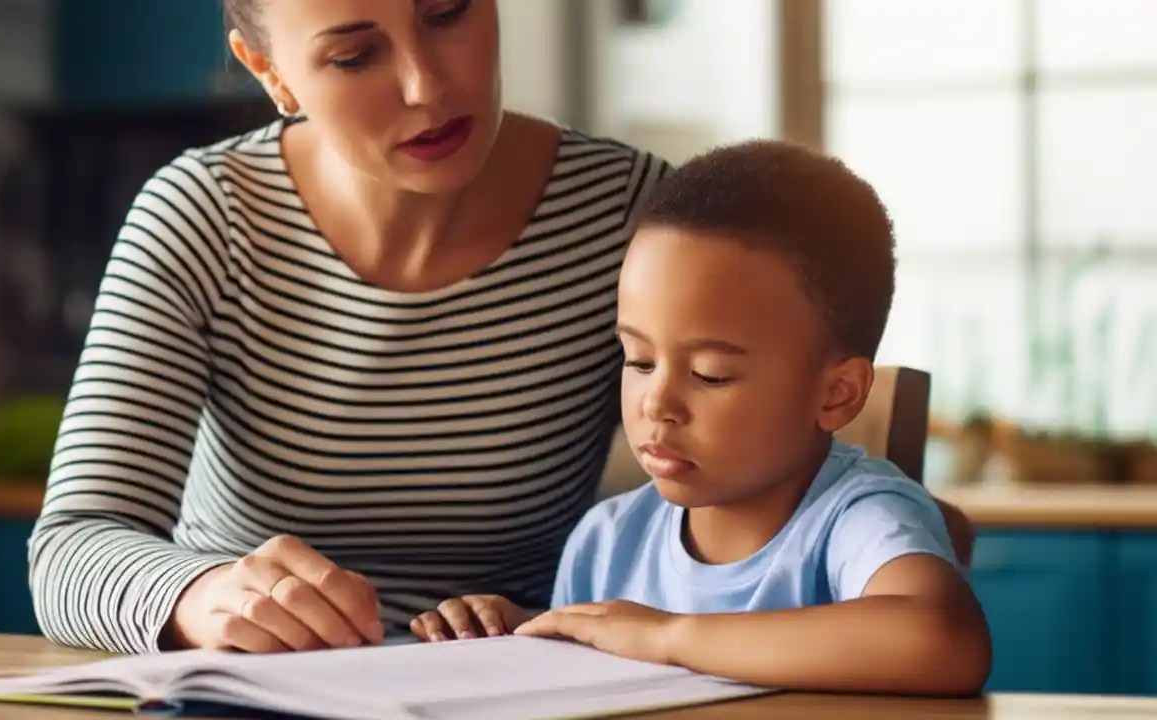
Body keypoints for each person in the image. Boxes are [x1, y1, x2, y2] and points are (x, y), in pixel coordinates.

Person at [29, 0, 973, 656]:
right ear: (271, 70)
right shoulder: (203, 217)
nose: (428, 85)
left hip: (528, 679)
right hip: (256, 691)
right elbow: (71, 549)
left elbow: (785, 479)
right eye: (355, 55)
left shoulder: (625, 215)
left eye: (449, 13)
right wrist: (198, 596)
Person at [410, 141, 993, 696]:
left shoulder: (856, 518)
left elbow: (940, 640)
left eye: (710, 373)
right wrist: (526, 638)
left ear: (836, 394)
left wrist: (666, 635)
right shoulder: (608, 541)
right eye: (638, 359)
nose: (655, 403)